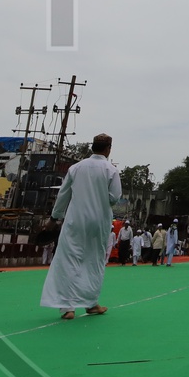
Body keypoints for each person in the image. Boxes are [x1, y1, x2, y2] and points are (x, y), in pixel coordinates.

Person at [41, 133, 124, 320]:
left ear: (92, 147)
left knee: (68, 260)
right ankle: (91, 303)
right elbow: (114, 197)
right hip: (99, 222)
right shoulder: (111, 170)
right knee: (94, 261)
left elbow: (63, 195)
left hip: (75, 220)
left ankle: (67, 308)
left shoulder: (75, 168)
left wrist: (54, 218)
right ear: (108, 149)